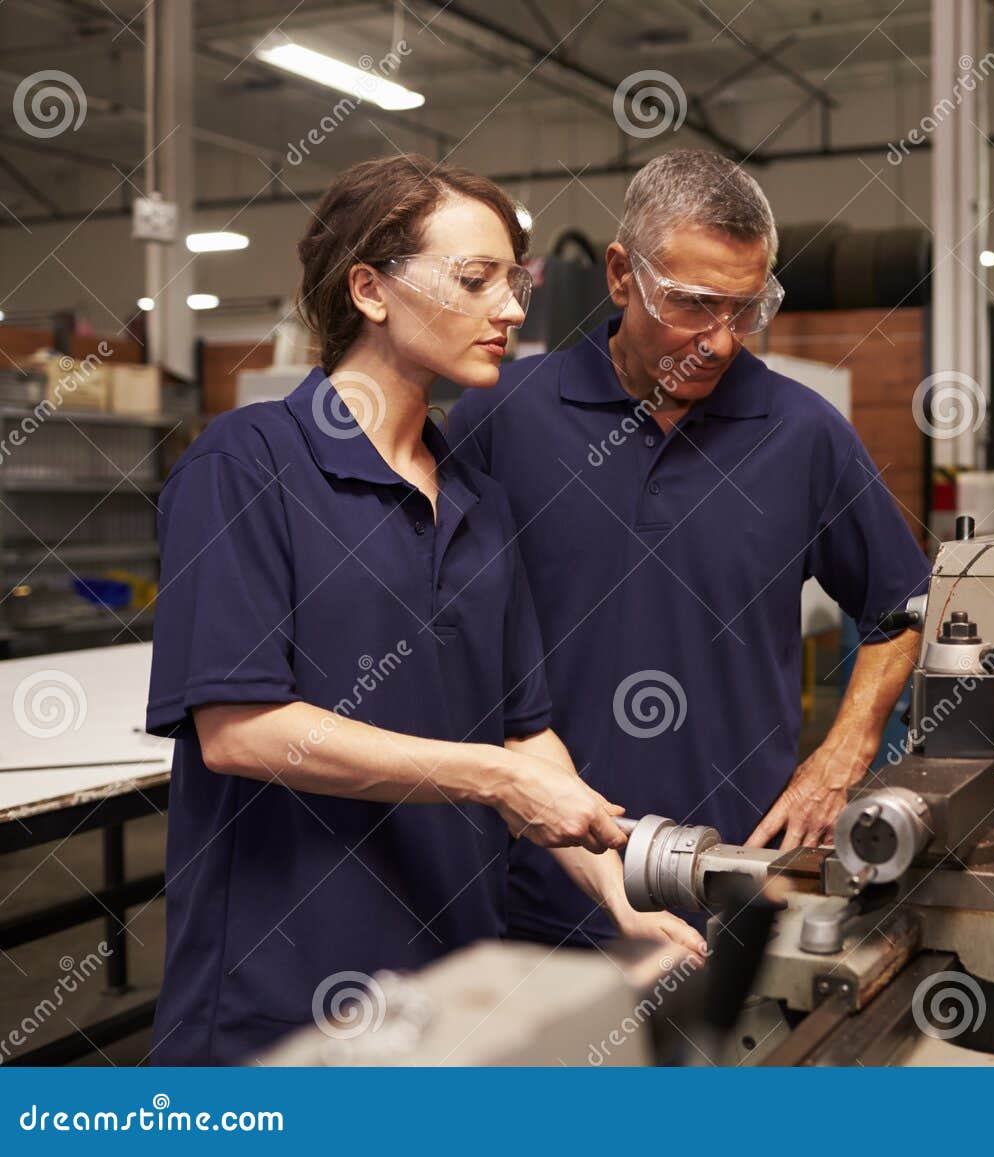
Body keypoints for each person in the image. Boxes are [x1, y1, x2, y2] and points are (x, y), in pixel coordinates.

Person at [146, 154, 702, 1065]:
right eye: (476, 279)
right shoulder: (246, 464)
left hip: (449, 988)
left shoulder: (475, 502)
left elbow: (527, 737)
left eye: (515, 283)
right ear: (369, 288)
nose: (513, 309)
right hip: (278, 995)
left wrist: (620, 891)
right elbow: (239, 730)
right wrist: (492, 777)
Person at [449, 149, 931, 948]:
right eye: (692, 304)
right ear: (618, 274)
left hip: (737, 876)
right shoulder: (503, 418)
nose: (718, 341)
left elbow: (904, 606)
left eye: (745, 310)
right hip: (531, 887)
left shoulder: (802, 433)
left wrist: (844, 750)